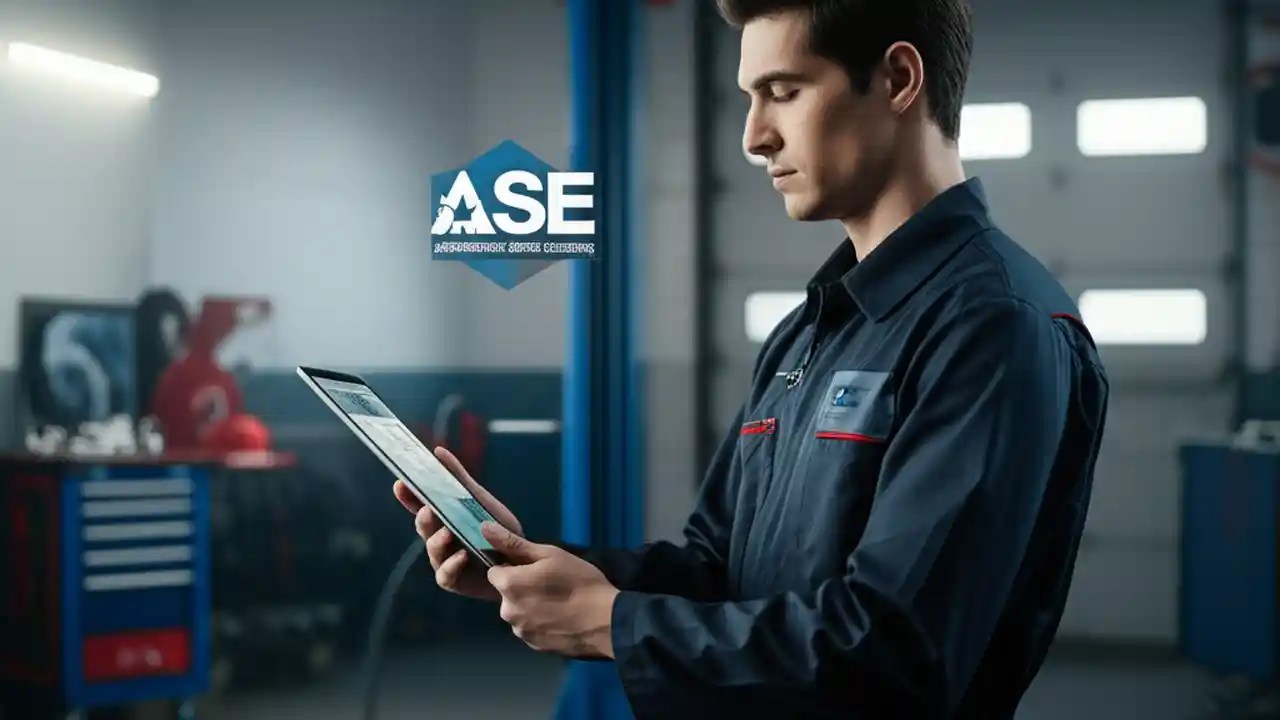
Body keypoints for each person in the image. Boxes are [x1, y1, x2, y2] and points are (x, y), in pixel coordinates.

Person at [393, 0, 1110, 717]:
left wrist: (609, 620)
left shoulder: (993, 325)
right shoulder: (810, 329)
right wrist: (537, 564)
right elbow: (717, 570)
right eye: (749, 98)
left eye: (784, 91)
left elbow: (894, 653)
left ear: (896, 78)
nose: (755, 137)